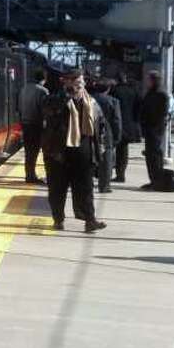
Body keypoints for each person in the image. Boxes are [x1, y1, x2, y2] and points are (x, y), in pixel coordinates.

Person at [41, 71, 106, 232]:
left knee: (86, 188)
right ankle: (58, 219)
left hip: (83, 152)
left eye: (79, 82)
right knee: (57, 189)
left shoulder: (92, 102)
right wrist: (66, 96)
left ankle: (90, 220)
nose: (77, 85)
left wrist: (101, 147)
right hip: (58, 153)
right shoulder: (54, 99)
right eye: (73, 82)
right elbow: (47, 111)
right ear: (66, 82)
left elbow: (101, 126)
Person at [139, 70, 170, 189]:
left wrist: (152, 125)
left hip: (155, 129)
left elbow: (162, 113)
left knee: (155, 155)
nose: (147, 82)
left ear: (154, 80)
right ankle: (152, 180)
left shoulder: (161, 94)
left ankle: (157, 180)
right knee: (150, 156)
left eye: (149, 80)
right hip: (149, 128)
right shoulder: (150, 93)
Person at [18, 69, 50, 184]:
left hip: (25, 124)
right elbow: (45, 110)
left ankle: (29, 174)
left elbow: (20, 107)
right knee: (39, 151)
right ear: (44, 79)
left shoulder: (24, 89)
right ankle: (32, 176)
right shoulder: (43, 91)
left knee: (29, 151)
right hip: (37, 125)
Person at [91, 79, 122, 193]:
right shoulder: (113, 101)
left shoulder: (89, 99)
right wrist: (117, 137)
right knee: (106, 161)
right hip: (107, 134)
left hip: (90, 131)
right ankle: (104, 186)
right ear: (108, 89)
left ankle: (88, 183)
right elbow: (116, 121)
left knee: (90, 158)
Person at [111, 73, 141, 182]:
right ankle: (121, 173)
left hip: (116, 123)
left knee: (112, 149)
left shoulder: (114, 91)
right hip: (129, 124)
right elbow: (138, 108)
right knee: (123, 150)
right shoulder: (134, 91)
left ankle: (113, 173)